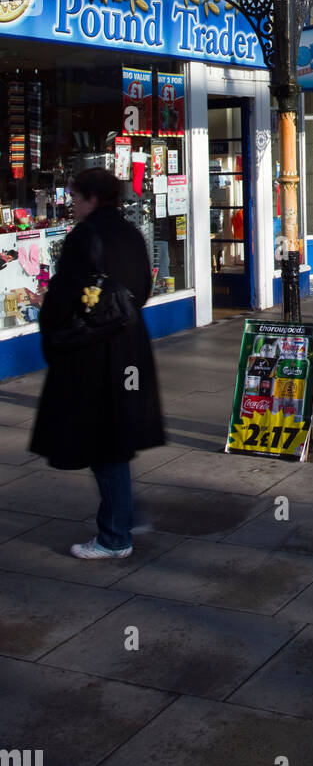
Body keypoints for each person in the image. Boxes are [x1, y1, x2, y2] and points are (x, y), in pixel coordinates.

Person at [29, 168, 164, 559]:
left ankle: (114, 537)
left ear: (91, 197)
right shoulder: (130, 233)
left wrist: (50, 321)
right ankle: (127, 514)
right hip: (130, 351)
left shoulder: (85, 236)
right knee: (116, 435)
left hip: (94, 355)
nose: (71, 203)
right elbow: (142, 289)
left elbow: (64, 297)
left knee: (103, 441)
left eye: (75, 196)